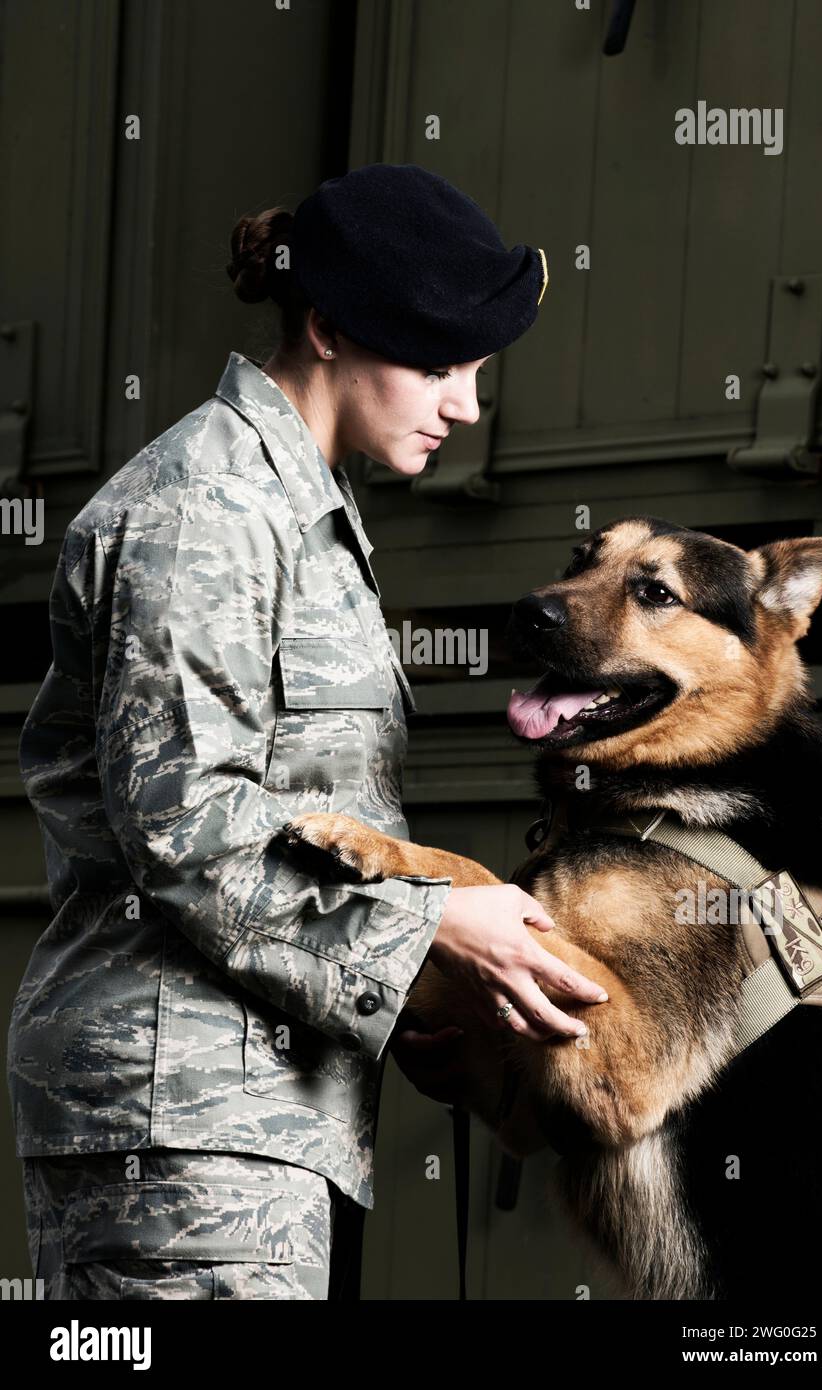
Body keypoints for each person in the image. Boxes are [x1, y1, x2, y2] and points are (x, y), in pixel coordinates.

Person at [7, 163, 607, 1301]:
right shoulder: (206, 511)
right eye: (437, 365)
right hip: (181, 1128)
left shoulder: (305, 515)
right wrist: (431, 930)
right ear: (326, 328)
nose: (467, 404)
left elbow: (298, 823)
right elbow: (189, 831)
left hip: (269, 1116)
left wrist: (413, 996)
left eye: (475, 369)